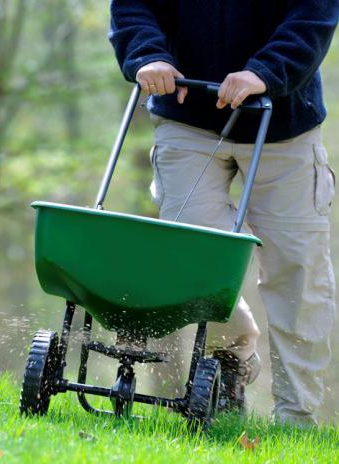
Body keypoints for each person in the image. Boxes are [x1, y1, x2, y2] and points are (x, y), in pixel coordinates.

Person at [109, 1, 339, 426]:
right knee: (193, 258)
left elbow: (316, 11)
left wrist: (266, 72)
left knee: (298, 272)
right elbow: (134, 5)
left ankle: (296, 417)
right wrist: (147, 54)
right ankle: (231, 358)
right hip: (188, 113)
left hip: (284, 119)